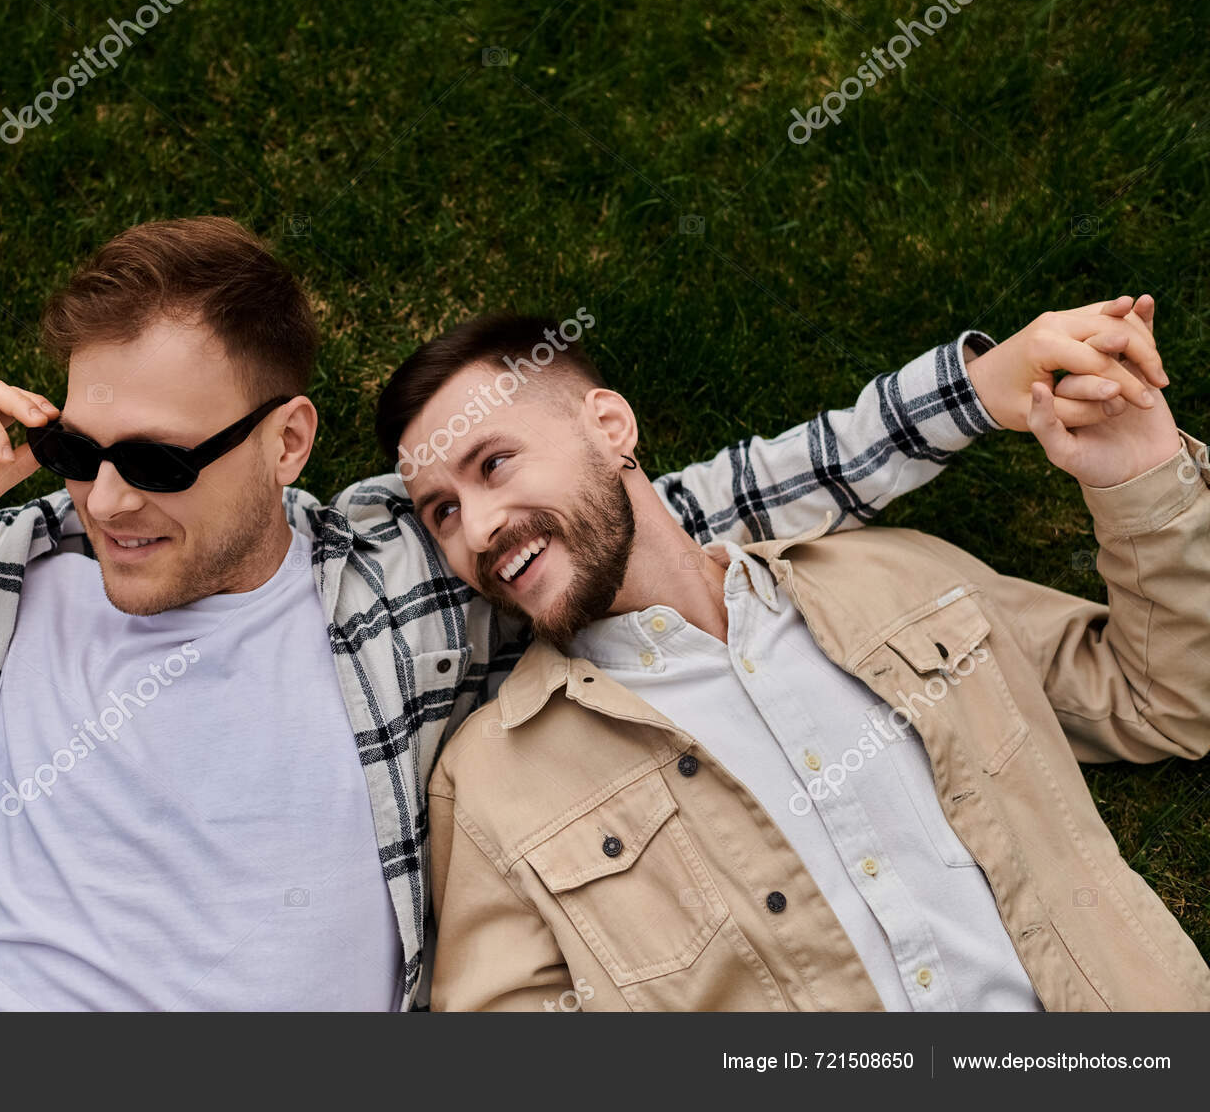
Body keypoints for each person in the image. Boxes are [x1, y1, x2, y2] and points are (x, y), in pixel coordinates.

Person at [0, 217, 1154, 1011]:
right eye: (83, 451)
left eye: (154, 460)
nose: (106, 498)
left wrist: (969, 389)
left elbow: (698, 500)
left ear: (285, 445)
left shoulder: (407, 573)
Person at [377, 295, 1209, 1011]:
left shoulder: (900, 576)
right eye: (442, 512)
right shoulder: (492, 784)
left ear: (608, 425)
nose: (479, 529)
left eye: (494, 464)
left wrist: (1140, 477)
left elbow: (1168, 702)